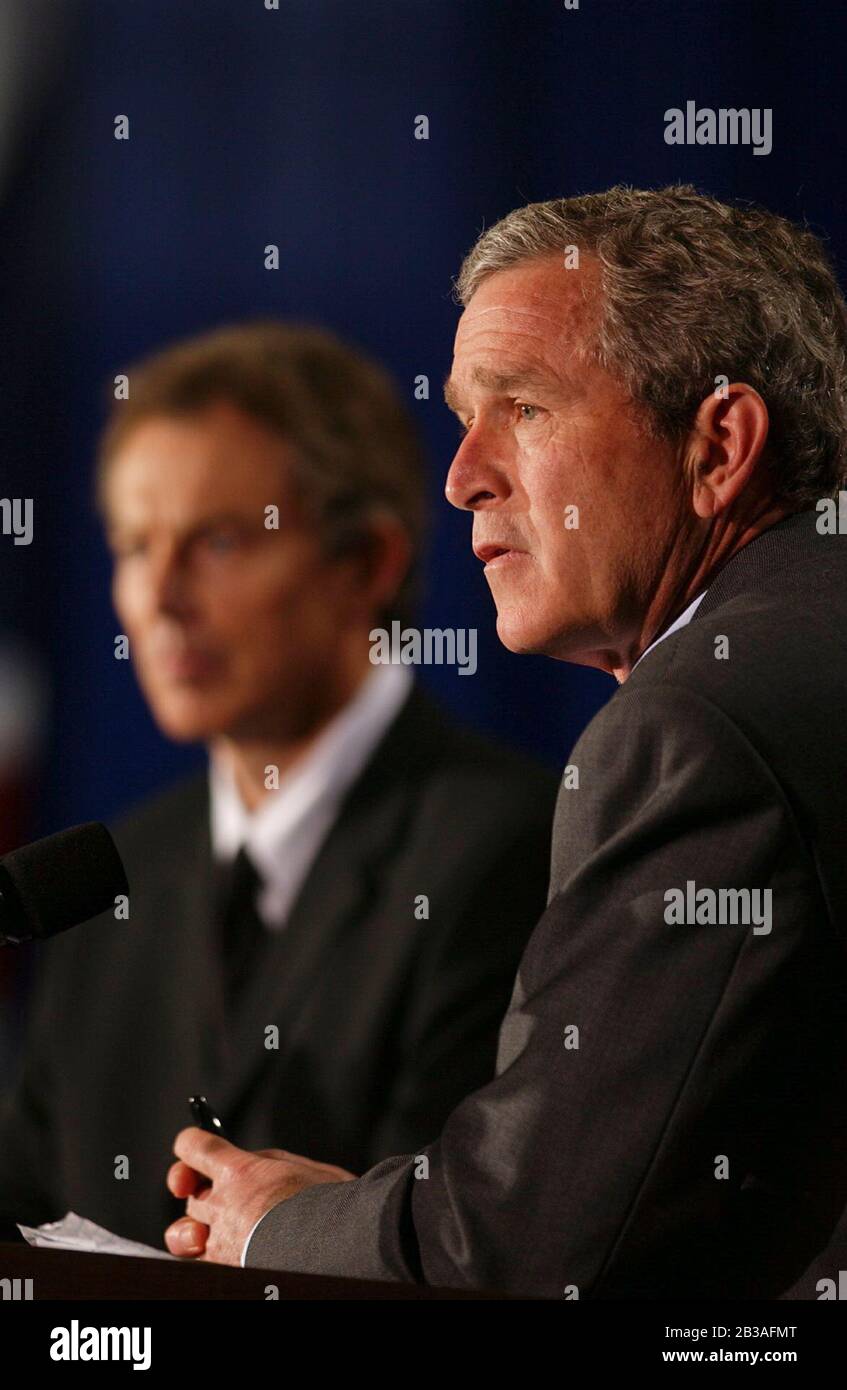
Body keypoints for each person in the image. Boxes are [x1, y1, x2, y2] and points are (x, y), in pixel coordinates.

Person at [163, 187, 847, 1299]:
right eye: (461, 417)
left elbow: (541, 1247)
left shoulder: (699, 728)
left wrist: (278, 1228)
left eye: (523, 408)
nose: (462, 474)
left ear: (718, 445)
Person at [0, 321, 557, 1248]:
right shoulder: (104, 877)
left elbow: (485, 1241)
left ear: (365, 563)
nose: (162, 596)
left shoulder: (511, 848)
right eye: (137, 546)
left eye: (216, 542)